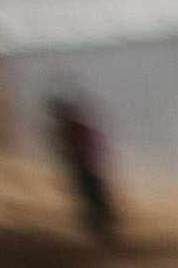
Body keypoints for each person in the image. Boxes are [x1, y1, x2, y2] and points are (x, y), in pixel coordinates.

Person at [46, 87, 122, 249]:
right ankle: (102, 234)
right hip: (83, 166)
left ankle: (104, 235)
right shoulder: (69, 126)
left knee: (94, 199)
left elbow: (81, 143)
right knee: (92, 200)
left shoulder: (71, 125)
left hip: (86, 166)